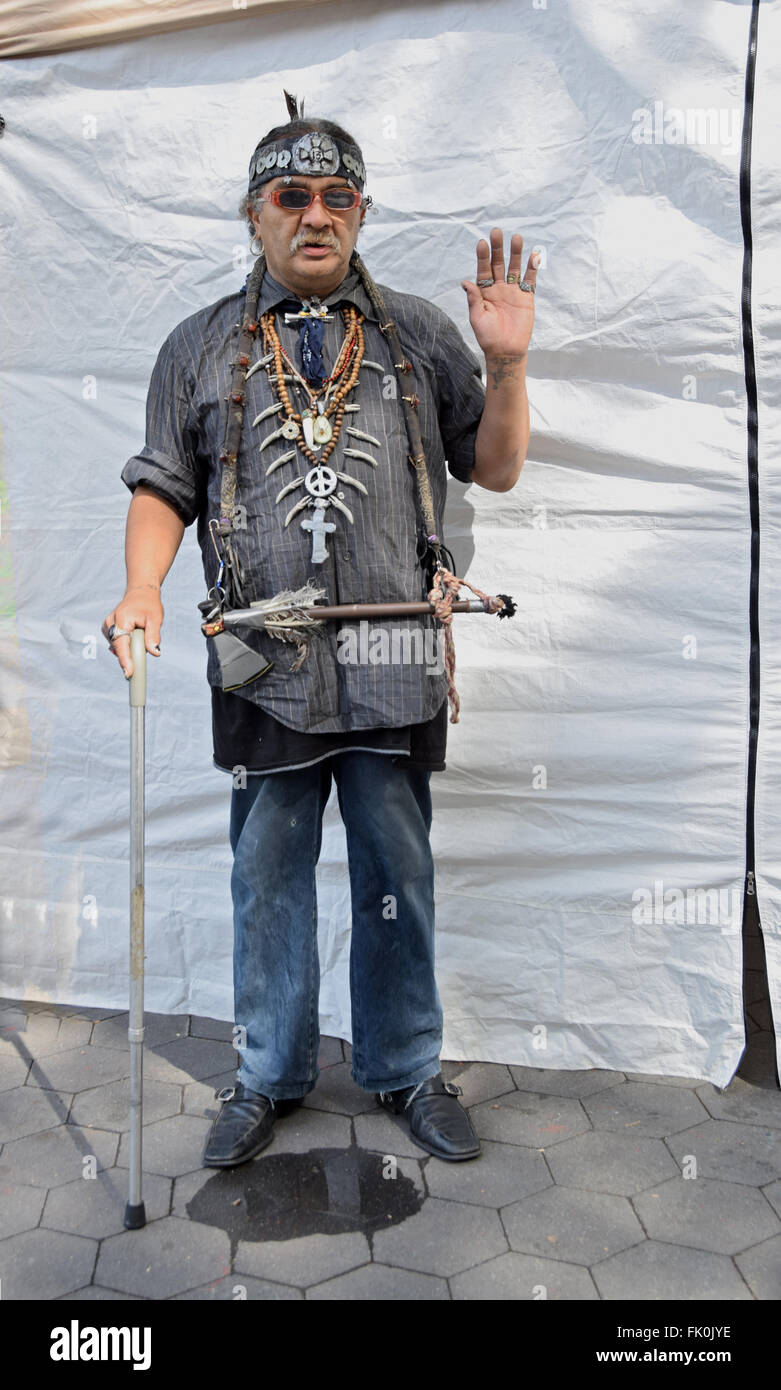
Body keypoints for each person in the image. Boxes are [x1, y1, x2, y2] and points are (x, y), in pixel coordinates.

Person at [102, 95, 538, 1167]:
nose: (315, 215)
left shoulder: (419, 337)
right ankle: (266, 1074)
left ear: (360, 212)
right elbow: (164, 483)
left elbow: (492, 465)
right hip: (261, 660)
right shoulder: (199, 346)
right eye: (291, 196)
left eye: (337, 197)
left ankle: (404, 1065)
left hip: (391, 651)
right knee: (267, 870)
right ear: (254, 215)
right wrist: (142, 588)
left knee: (397, 864)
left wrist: (512, 366)